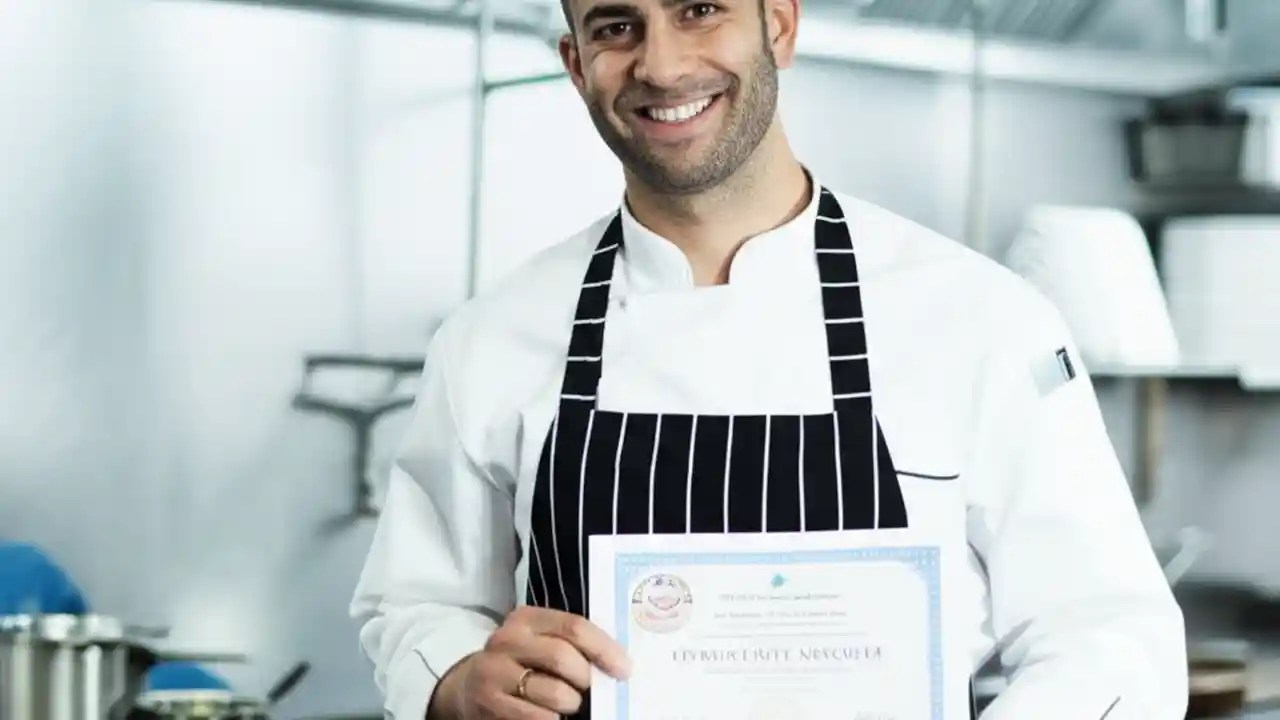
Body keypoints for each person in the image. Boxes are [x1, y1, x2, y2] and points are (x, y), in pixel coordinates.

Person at [349, 0, 1189, 714]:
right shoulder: (490, 338)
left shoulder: (983, 320)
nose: (663, 65)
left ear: (778, 24)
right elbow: (418, 603)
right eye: (616, 27)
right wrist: (457, 680)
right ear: (576, 64)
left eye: (699, 9)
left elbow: (1108, 636)